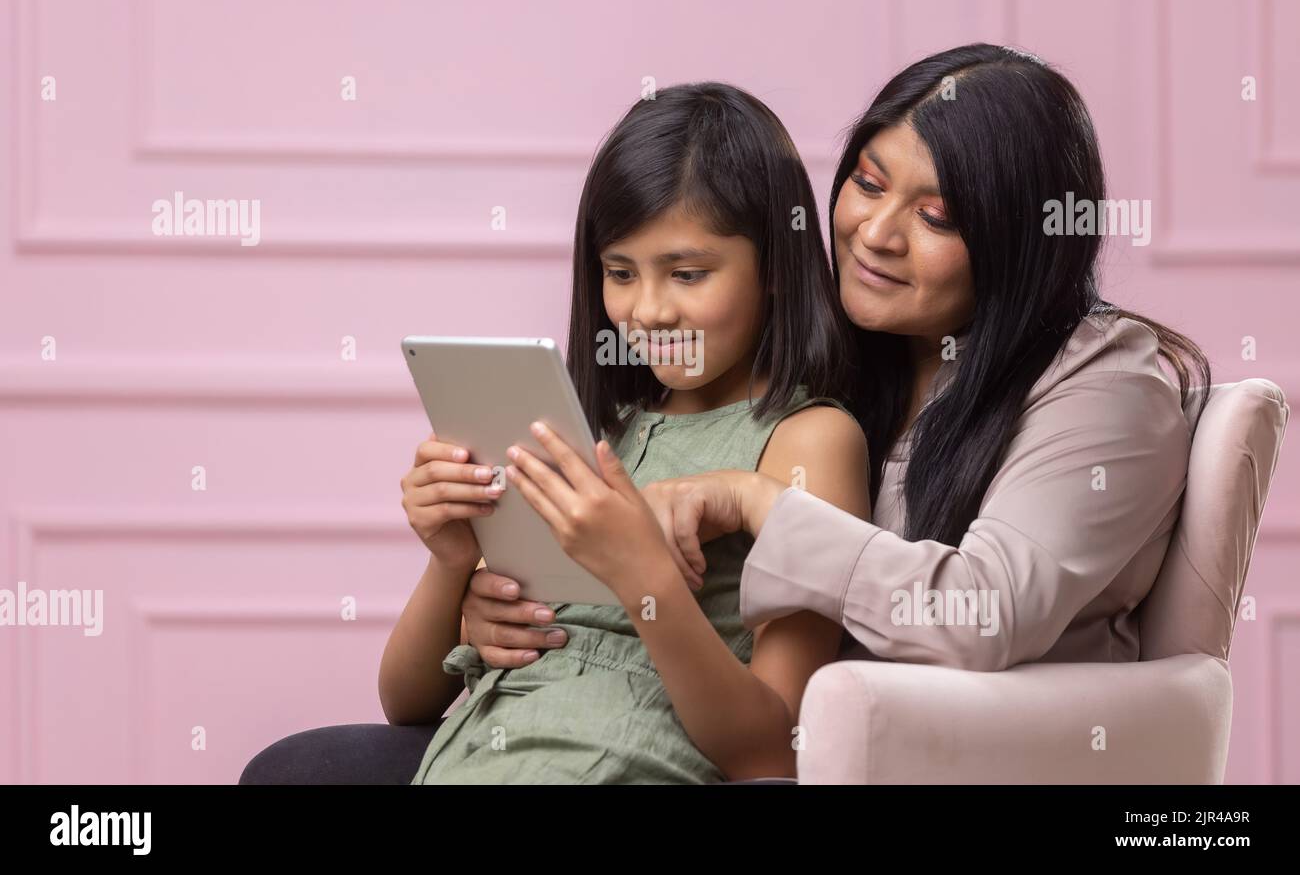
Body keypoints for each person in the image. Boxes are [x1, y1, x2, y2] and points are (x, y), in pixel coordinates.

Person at [465, 43, 1210, 686]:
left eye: (937, 215)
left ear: (1023, 237)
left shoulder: (1108, 383)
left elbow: (983, 614)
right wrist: (499, 605)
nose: (874, 232)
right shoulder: (851, 356)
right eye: (869, 182)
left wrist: (757, 500)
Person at [393, 81, 871, 784]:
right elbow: (403, 701)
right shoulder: (587, 430)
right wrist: (451, 563)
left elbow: (776, 747)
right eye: (620, 272)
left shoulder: (809, 439)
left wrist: (643, 576)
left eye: (687, 273)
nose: (647, 311)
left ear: (774, 265)